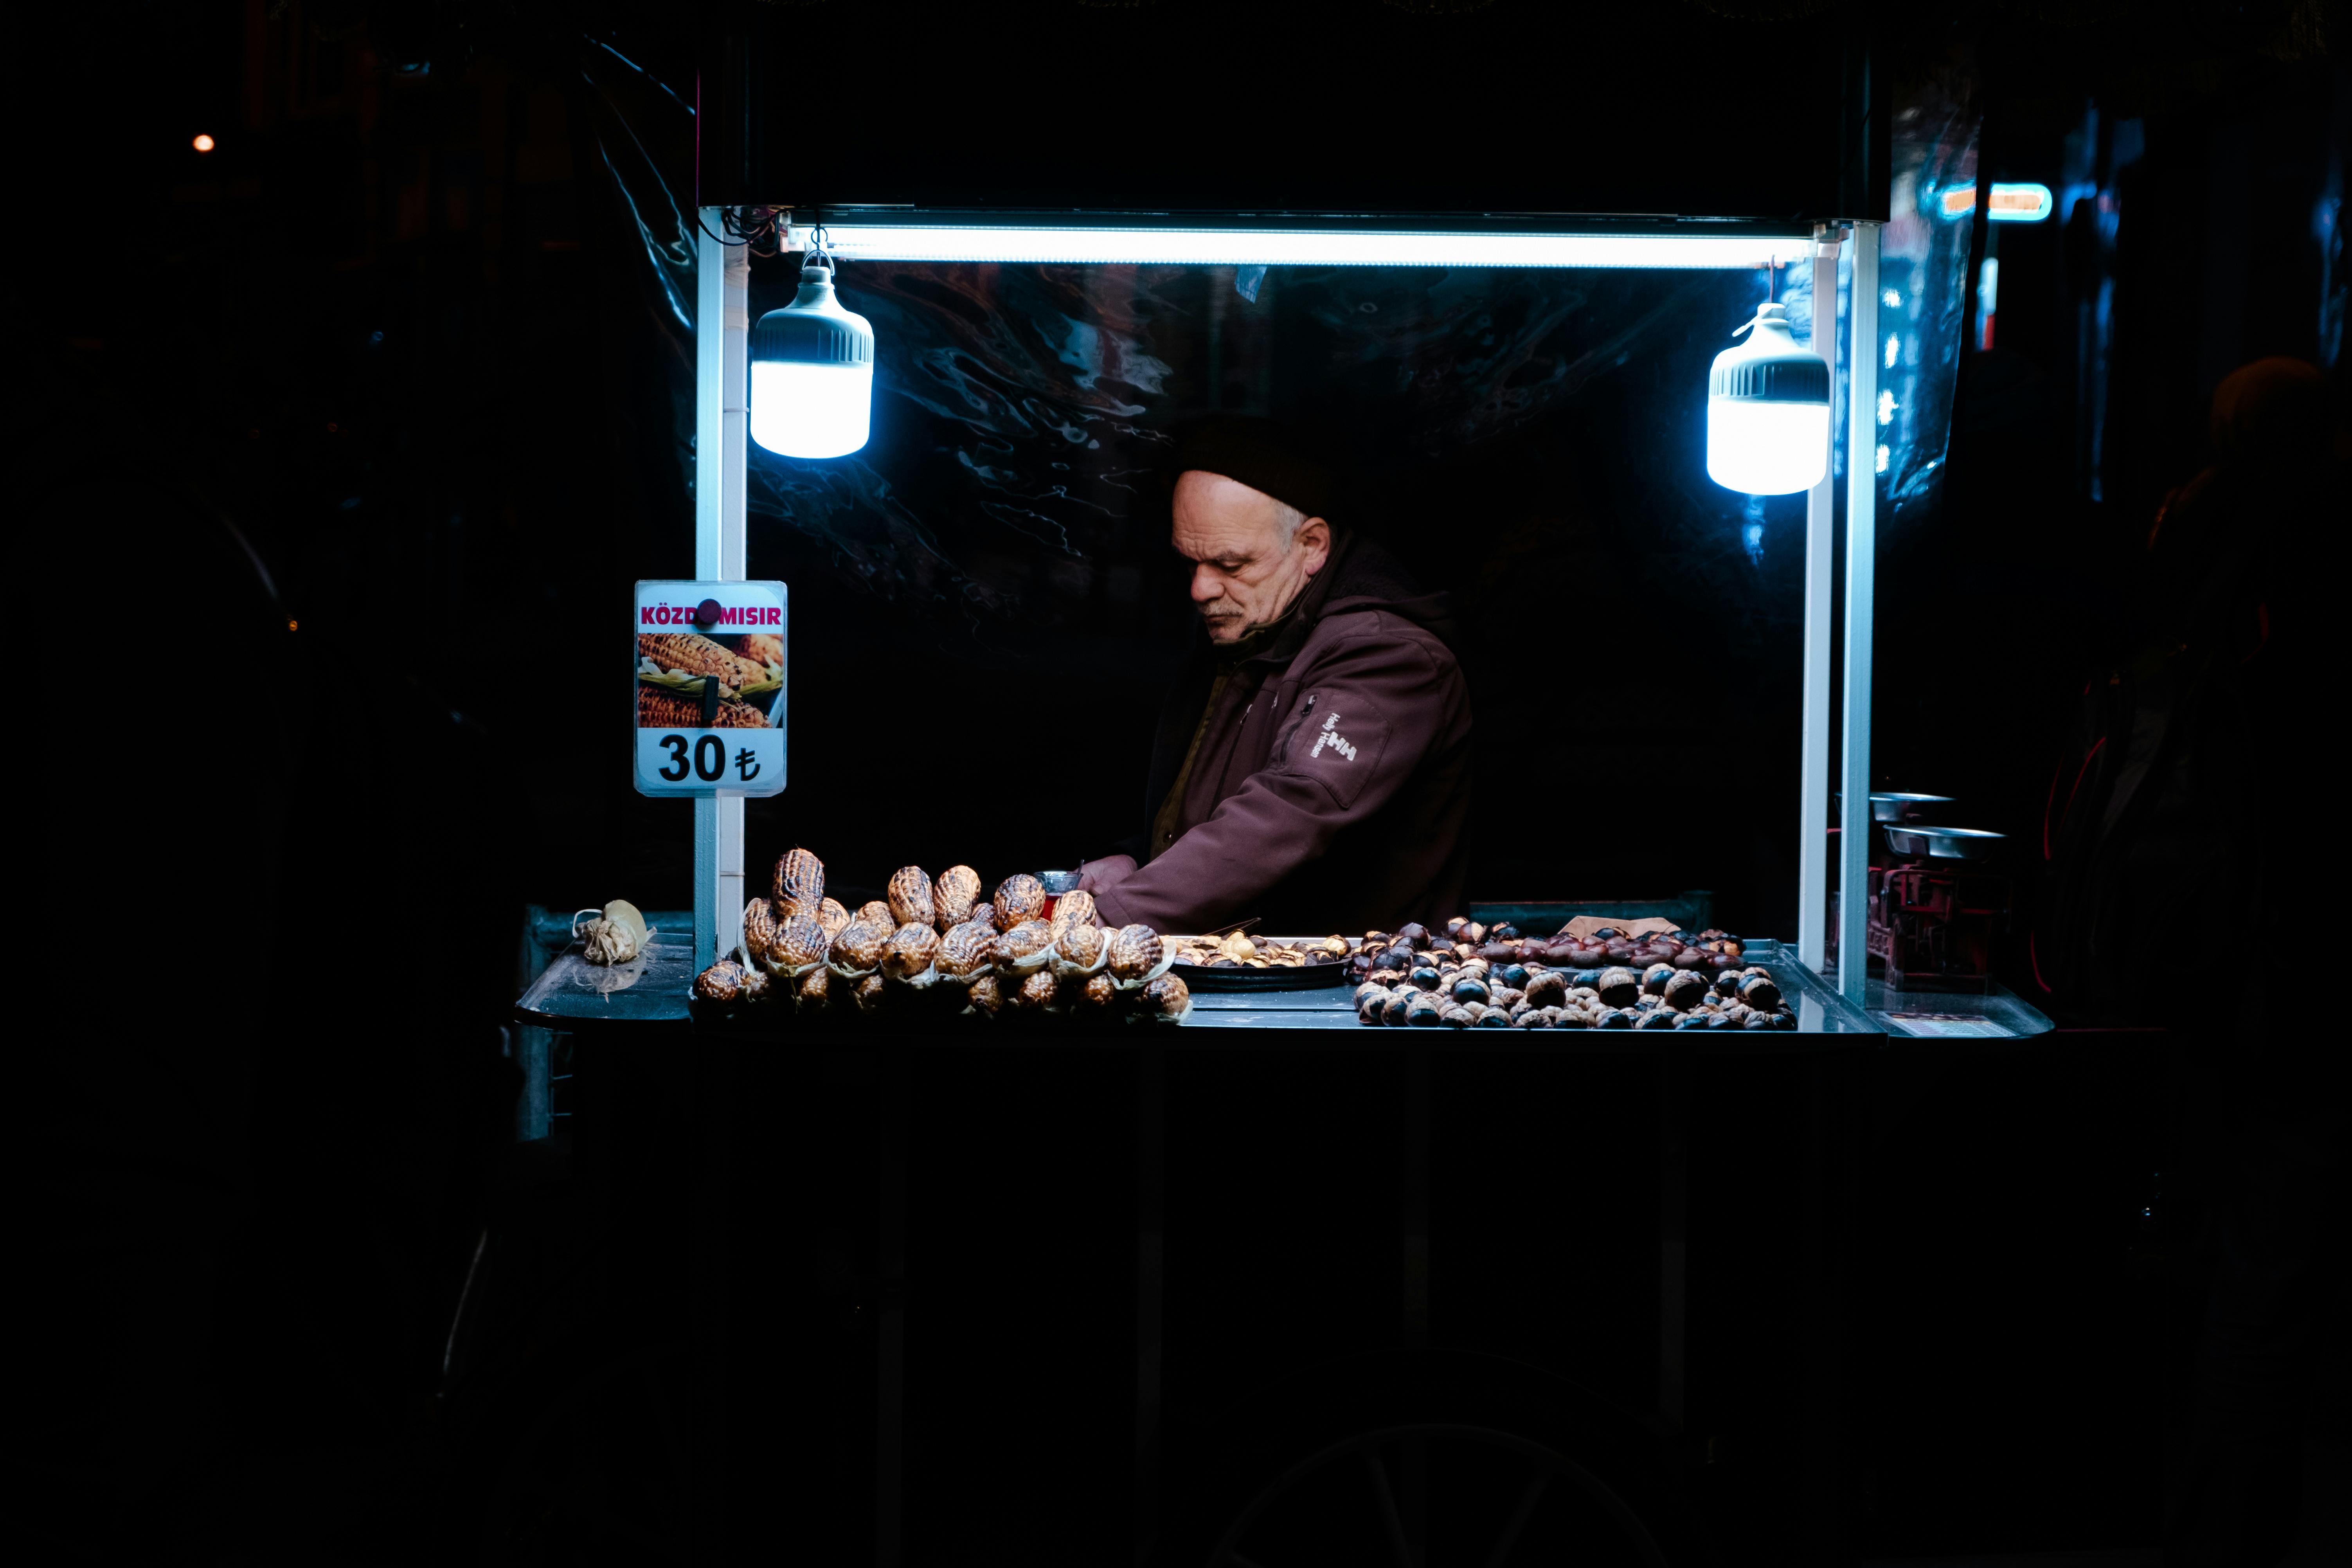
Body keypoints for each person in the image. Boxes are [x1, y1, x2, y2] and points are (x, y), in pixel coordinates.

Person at [1079, 416, 1472, 934]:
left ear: (1312, 545)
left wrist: (1105, 921)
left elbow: (1285, 815)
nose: (1200, 589)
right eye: (1190, 562)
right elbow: (1218, 804)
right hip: (1244, 981)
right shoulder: (1256, 627)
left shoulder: (1388, 656)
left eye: (1230, 564)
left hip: (1347, 997)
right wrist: (1135, 861)